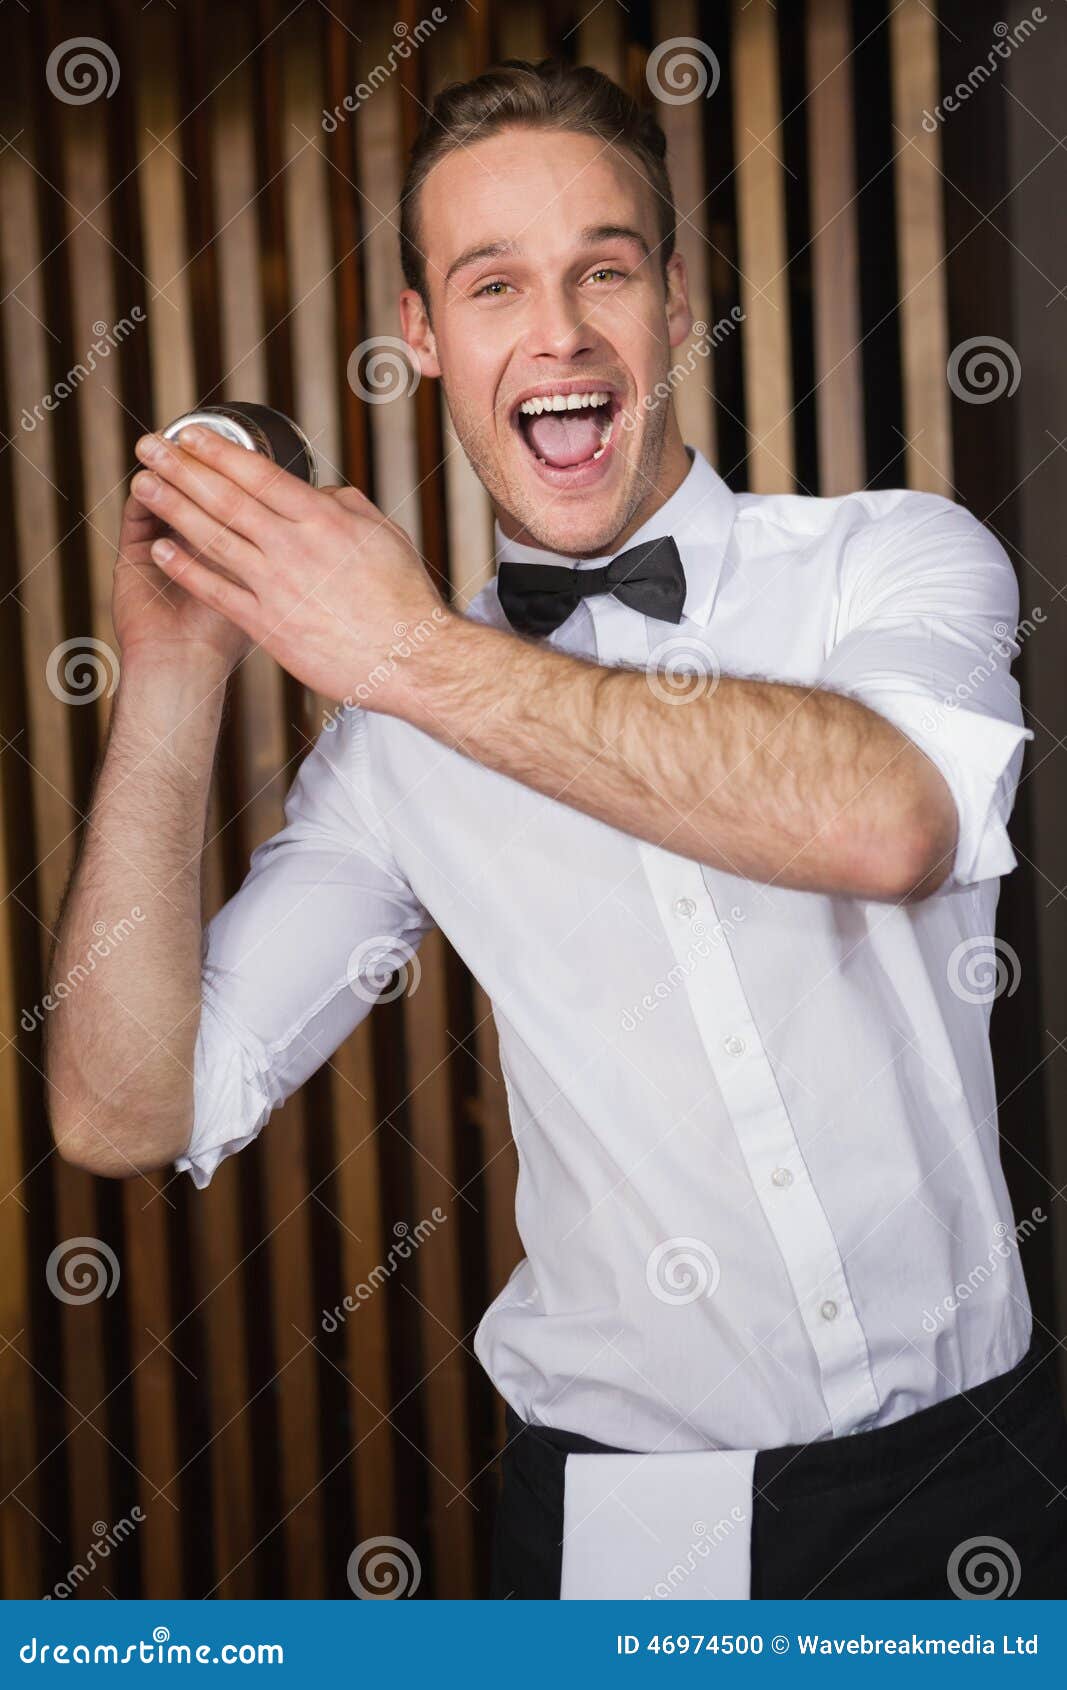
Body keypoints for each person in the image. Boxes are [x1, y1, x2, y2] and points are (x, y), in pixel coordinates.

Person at [44, 59, 1067, 1599]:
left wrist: (409, 655)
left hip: (979, 1469)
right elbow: (125, 1111)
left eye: (604, 268)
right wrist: (173, 685)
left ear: (673, 298)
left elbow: (892, 823)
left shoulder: (893, 557)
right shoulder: (395, 752)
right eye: (492, 283)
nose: (559, 331)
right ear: (425, 341)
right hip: (635, 1526)